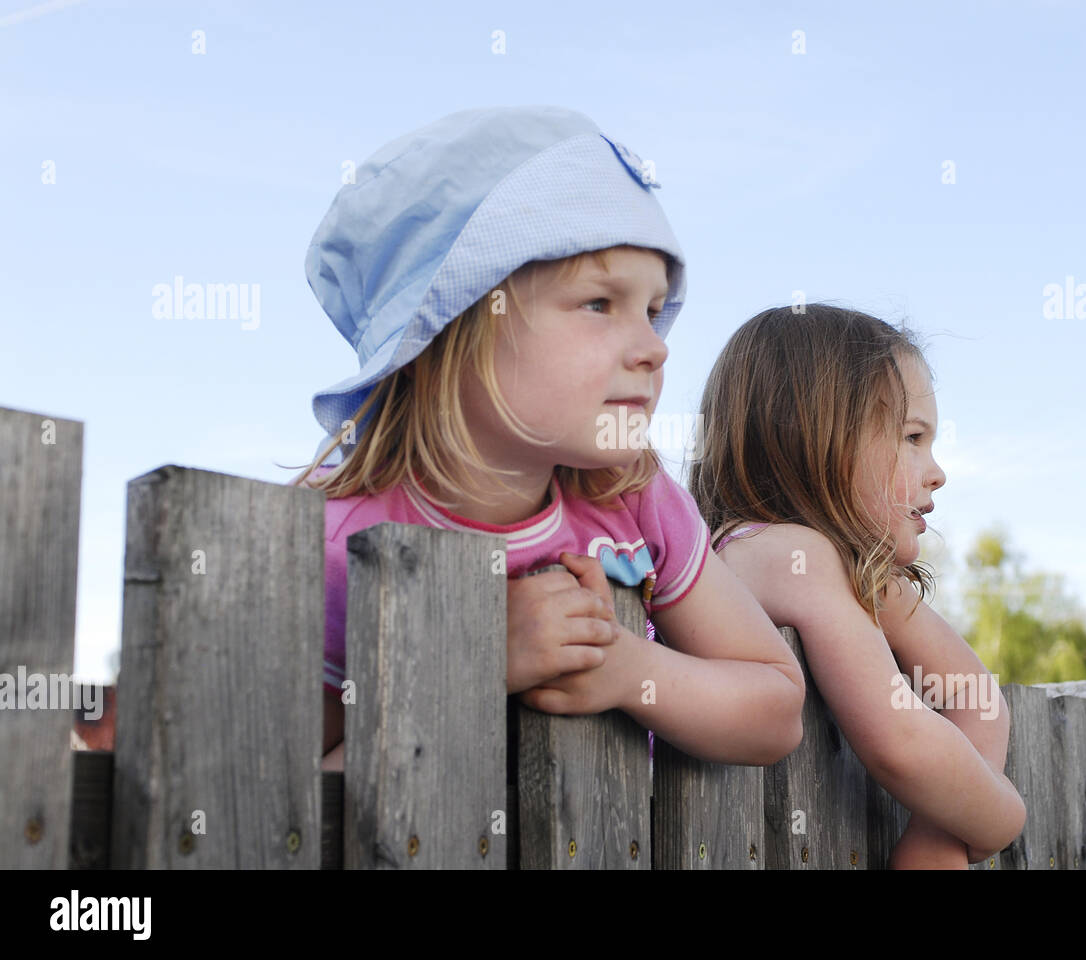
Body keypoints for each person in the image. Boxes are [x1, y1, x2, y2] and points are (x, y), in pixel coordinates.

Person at [289, 106, 804, 774]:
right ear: (457, 326)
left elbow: (775, 710)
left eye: (653, 311)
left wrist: (631, 669)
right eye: (599, 303)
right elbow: (286, 802)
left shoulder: (637, 502)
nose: (655, 347)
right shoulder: (335, 550)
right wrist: (474, 664)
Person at [687, 303, 1026, 868]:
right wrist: (1001, 817)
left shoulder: (848, 570)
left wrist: (935, 838)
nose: (937, 470)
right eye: (913, 437)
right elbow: (900, 745)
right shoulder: (778, 552)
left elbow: (975, 696)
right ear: (818, 438)